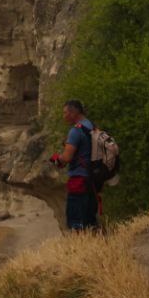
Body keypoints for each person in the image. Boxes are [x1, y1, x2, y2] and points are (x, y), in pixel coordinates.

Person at [50, 99, 99, 232]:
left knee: (75, 221)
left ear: (74, 112)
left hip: (79, 179)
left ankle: (80, 248)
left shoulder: (76, 131)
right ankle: (96, 245)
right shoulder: (91, 126)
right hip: (92, 178)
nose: (64, 116)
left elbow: (66, 158)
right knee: (90, 220)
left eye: (65, 113)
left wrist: (55, 158)